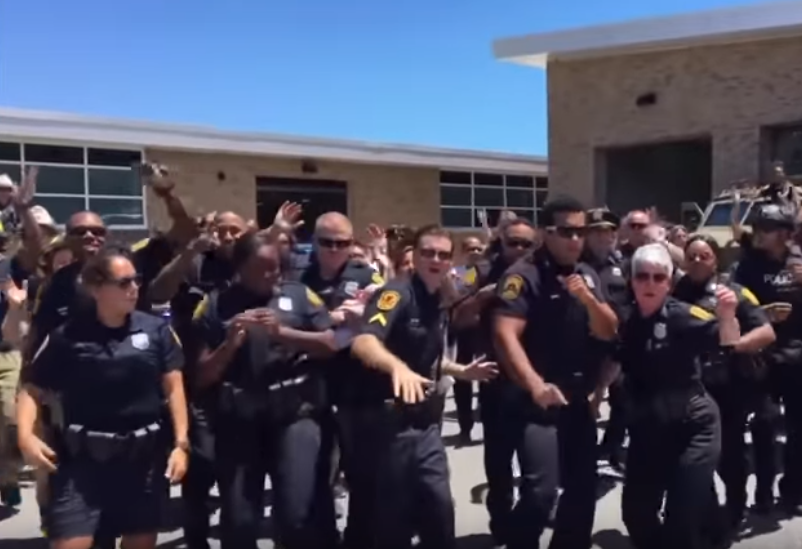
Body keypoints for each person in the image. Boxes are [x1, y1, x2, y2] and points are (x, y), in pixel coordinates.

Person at [16, 246, 189, 549]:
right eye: (123, 283)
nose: (134, 288)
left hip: (142, 460)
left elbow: (174, 388)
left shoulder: (155, 331)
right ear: (96, 289)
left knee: (140, 540)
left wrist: (180, 445)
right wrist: (25, 437)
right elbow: (32, 389)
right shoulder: (68, 336)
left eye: (136, 280)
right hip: (83, 462)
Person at [351, 224, 496, 549]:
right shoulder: (395, 294)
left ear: (450, 262)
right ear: (414, 256)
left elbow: (425, 360)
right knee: (394, 521)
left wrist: (461, 371)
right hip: (390, 427)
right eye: (428, 252)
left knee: (440, 510)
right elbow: (364, 341)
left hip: (426, 423)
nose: (435, 259)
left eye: (443, 255)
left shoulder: (439, 300)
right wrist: (397, 368)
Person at [193, 233, 339, 549]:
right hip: (240, 421)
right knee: (240, 519)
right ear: (240, 268)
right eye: (262, 269)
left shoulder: (299, 295)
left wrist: (282, 332)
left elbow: (331, 344)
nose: (272, 275)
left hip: (293, 416)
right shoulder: (217, 304)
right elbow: (201, 376)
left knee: (297, 514)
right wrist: (230, 343)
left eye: (276, 268)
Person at [492, 197, 618, 549]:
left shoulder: (587, 274)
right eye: (566, 232)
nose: (575, 239)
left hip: (577, 402)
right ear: (546, 233)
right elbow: (505, 335)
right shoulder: (522, 275)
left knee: (581, 493)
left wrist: (589, 301)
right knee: (541, 492)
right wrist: (536, 385)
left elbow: (608, 330)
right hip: (534, 404)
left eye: (581, 232)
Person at [618, 243, 741, 549]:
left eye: (659, 278)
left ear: (669, 283)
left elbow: (728, 339)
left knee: (683, 510)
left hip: (693, 423)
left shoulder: (683, 315)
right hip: (649, 424)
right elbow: (612, 359)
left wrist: (727, 315)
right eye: (642, 276)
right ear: (631, 280)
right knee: (636, 513)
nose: (650, 284)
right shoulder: (626, 319)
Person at [673, 234, 776, 540]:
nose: (697, 261)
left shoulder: (734, 292)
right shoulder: (677, 292)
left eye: (704, 255)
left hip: (729, 387)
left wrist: (733, 346)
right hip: (690, 387)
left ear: (715, 259)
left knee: (730, 455)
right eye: (691, 256)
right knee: (692, 456)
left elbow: (766, 332)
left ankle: (734, 508)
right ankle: (702, 512)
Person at [452, 219, 535, 547]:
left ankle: (526, 525)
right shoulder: (479, 270)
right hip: (495, 381)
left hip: (532, 379)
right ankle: (500, 520)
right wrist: (482, 296)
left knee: (536, 468)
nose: (519, 250)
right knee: (498, 462)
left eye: (526, 245)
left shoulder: (542, 272)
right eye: (513, 243)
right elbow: (456, 315)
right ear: (501, 243)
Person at [731, 203, 802, 515]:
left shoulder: (799, 262)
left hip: (798, 357)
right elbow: (734, 307)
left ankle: (793, 492)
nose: (760, 233)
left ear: (786, 234)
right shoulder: (747, 266)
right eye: (757, 227)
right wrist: (764, 315)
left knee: (799, 429)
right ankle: (762, 491)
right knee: (764, 423)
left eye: (768, 228)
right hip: (764, 358)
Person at [582, 208, 630, 472]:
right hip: (586, 349)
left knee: (623, 403)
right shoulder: (577, 265)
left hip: (617, 349)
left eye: (610, 231)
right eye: (598, 231)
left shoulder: (622, 265)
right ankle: (583, 457)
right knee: (586, 406)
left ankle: (612, 450)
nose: (605, 236)